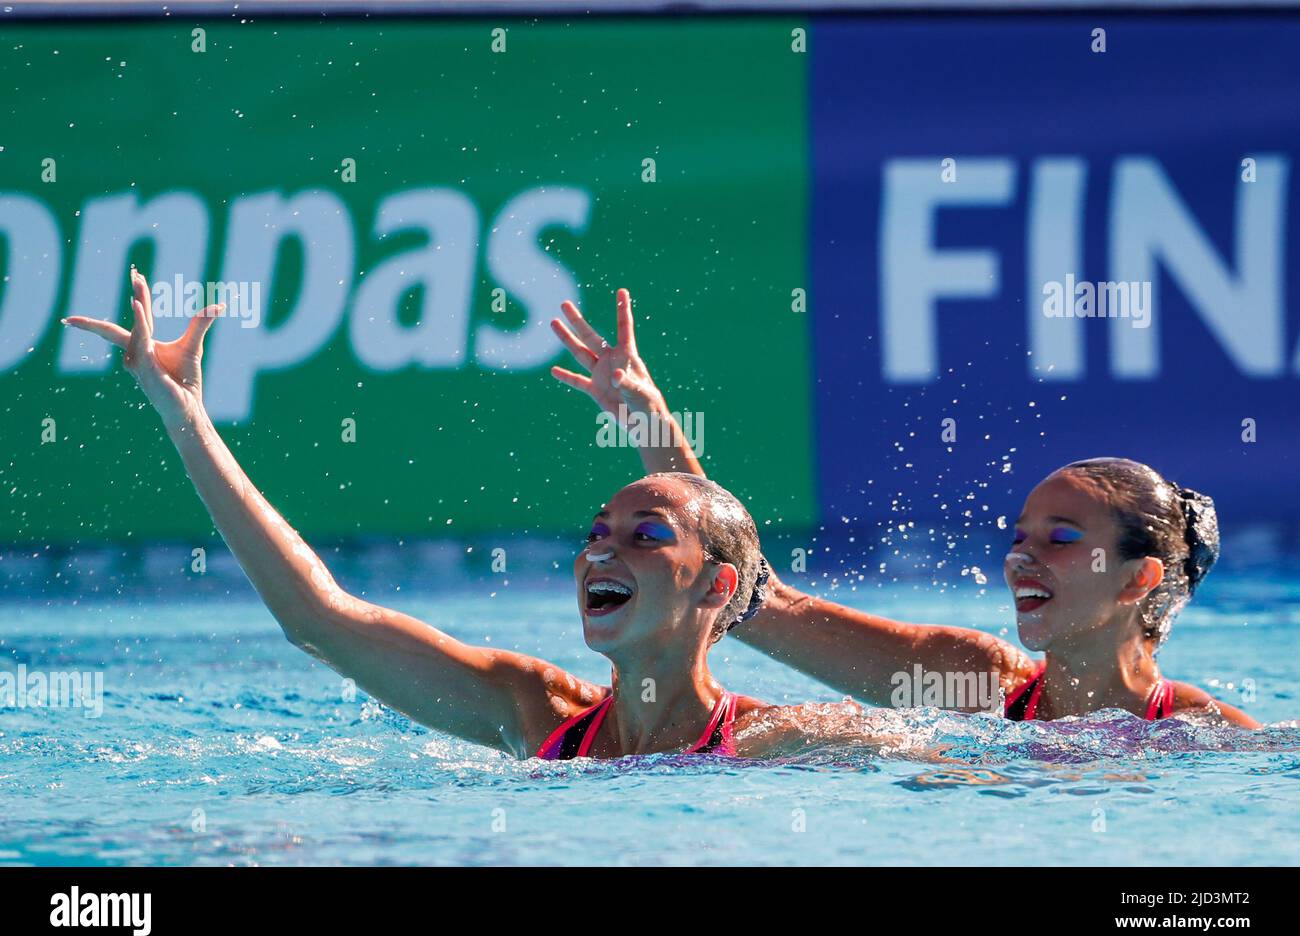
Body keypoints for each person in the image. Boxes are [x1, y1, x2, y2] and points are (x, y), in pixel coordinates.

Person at [63, 269, 890, 761]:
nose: (602, 553)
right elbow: (321, 618)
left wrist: (653, 424)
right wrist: (187, 418)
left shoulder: (786, 739)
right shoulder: (531, 712)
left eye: (644, 539)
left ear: (716, 588)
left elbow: (959, 769)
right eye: (596, 534)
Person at [549, 289, 1260, 728]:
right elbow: (756, 598)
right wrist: (650, 422)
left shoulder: (1203, 734)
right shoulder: (975, 685)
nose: (1020, 556)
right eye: (1019, 536)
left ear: (1139, 577)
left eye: (1062, 538)